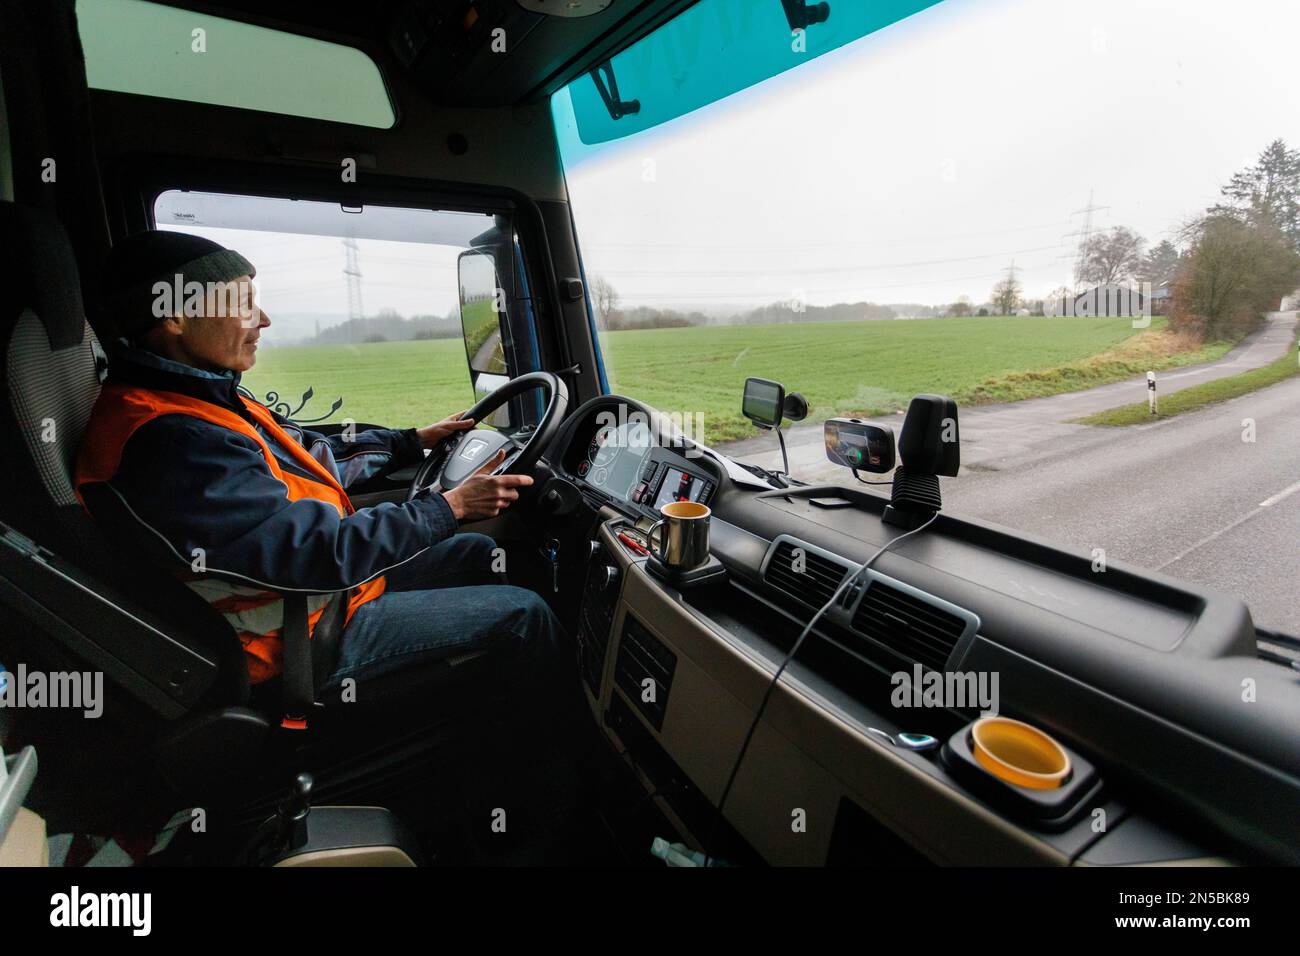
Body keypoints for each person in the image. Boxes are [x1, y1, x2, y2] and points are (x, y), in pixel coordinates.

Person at [73, 231, 578, 741]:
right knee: (523, 616)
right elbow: (319, 552)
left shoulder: (198, 399)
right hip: (293, 642)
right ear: (175, 316)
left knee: (478, 551)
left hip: (321, 599)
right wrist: (447, 507)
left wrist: (410, 442)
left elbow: (309, 455)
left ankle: (492, 721)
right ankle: (560, 760)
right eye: (244, 303)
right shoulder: (172, 440)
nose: (263, 320)